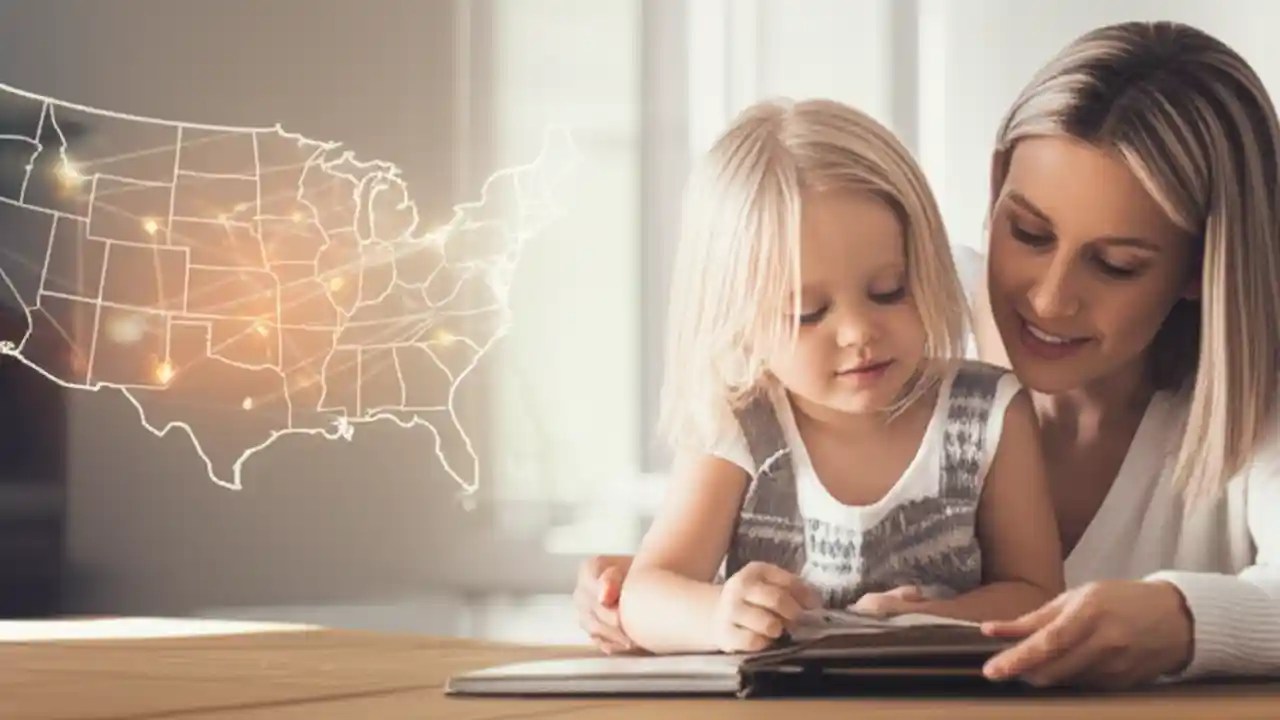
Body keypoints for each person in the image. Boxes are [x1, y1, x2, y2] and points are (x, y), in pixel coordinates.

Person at [574, 20, 1280, 687]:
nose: (1050, 299)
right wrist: (657, 600)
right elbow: (690, 575)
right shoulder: (895, 309)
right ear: (997, 181)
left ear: (1200, 269)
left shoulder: (1255, 394)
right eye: (1029, 233)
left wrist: (1183, 621)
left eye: (1118, 264)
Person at [615, 97, 1063, 655]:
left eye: (889, 291)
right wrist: (717, 614)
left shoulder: (990, 413)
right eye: (807, 313)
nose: (857, 332)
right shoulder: (742, 422)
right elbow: (646, 594)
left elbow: (1038, 595)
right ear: (739, 322)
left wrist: (933, 619)